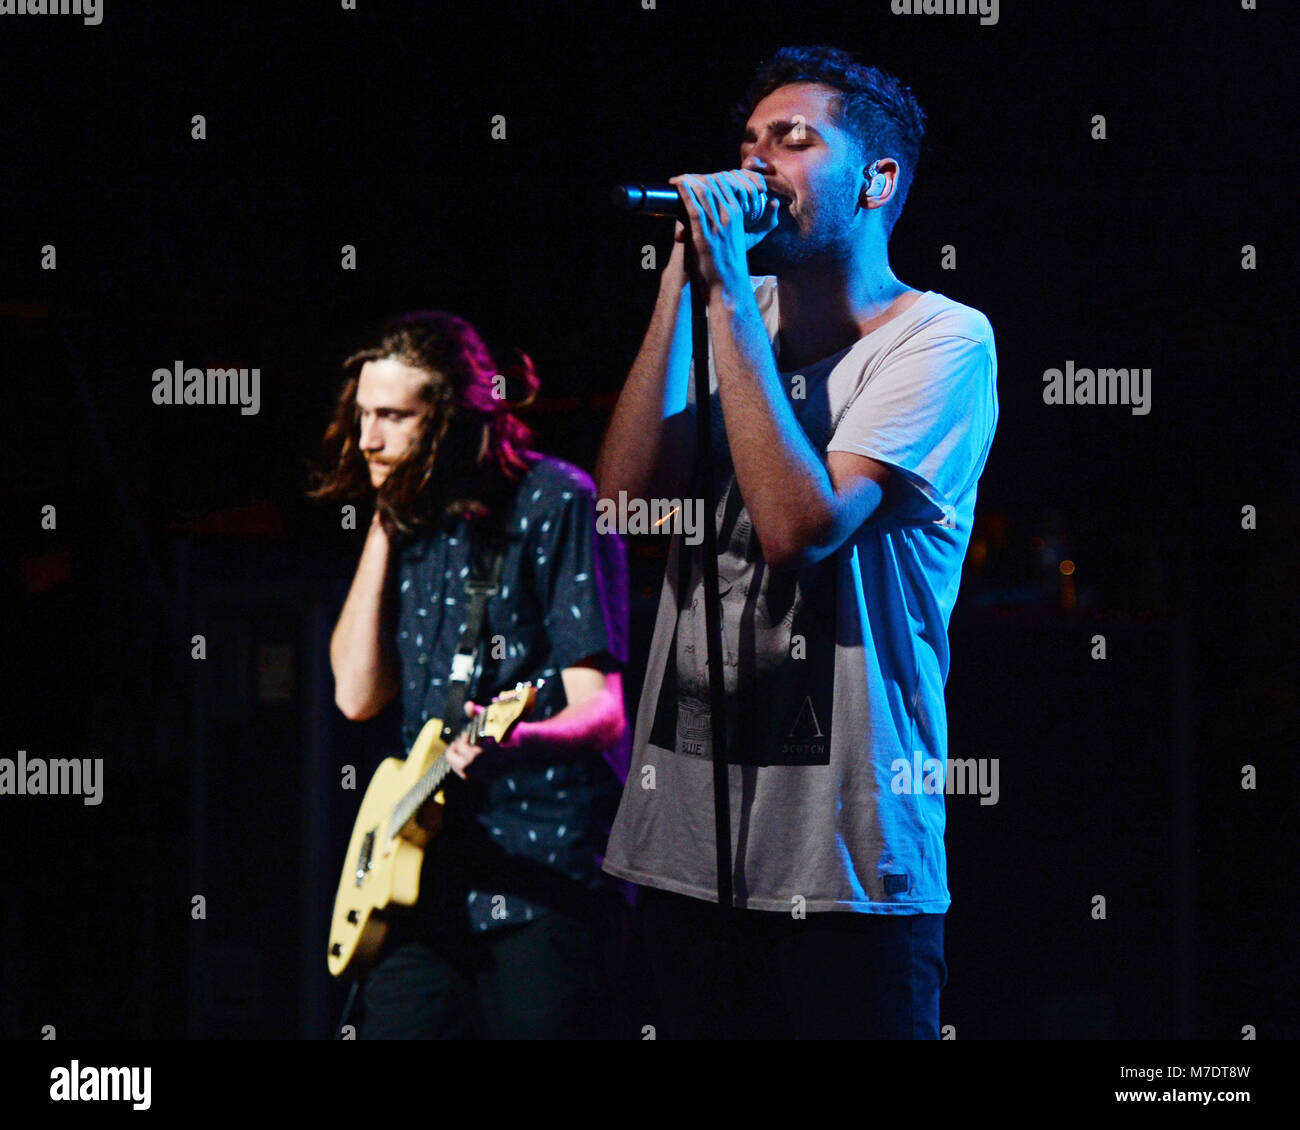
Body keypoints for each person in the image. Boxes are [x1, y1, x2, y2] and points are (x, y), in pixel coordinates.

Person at [595, 45, 999, 1039]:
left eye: (794, 138)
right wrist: (683, 282)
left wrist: (726, 289)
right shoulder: (727, 310)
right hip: (683, 853)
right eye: (746, 141)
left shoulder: (940, 340)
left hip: (846, 872)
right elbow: (622, 507)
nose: (756, 162)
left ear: (877, 179)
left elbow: (796, 530)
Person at [311, 310, 631, 1039]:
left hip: (542, 877)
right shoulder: (414, 524)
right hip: (425, 885)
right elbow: (356, 696)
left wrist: (516, 747)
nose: (368, 440)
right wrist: (383, 525)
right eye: (362, 416)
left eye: (393, 417)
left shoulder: (557, 500)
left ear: (455, 418)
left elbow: (603, 713)